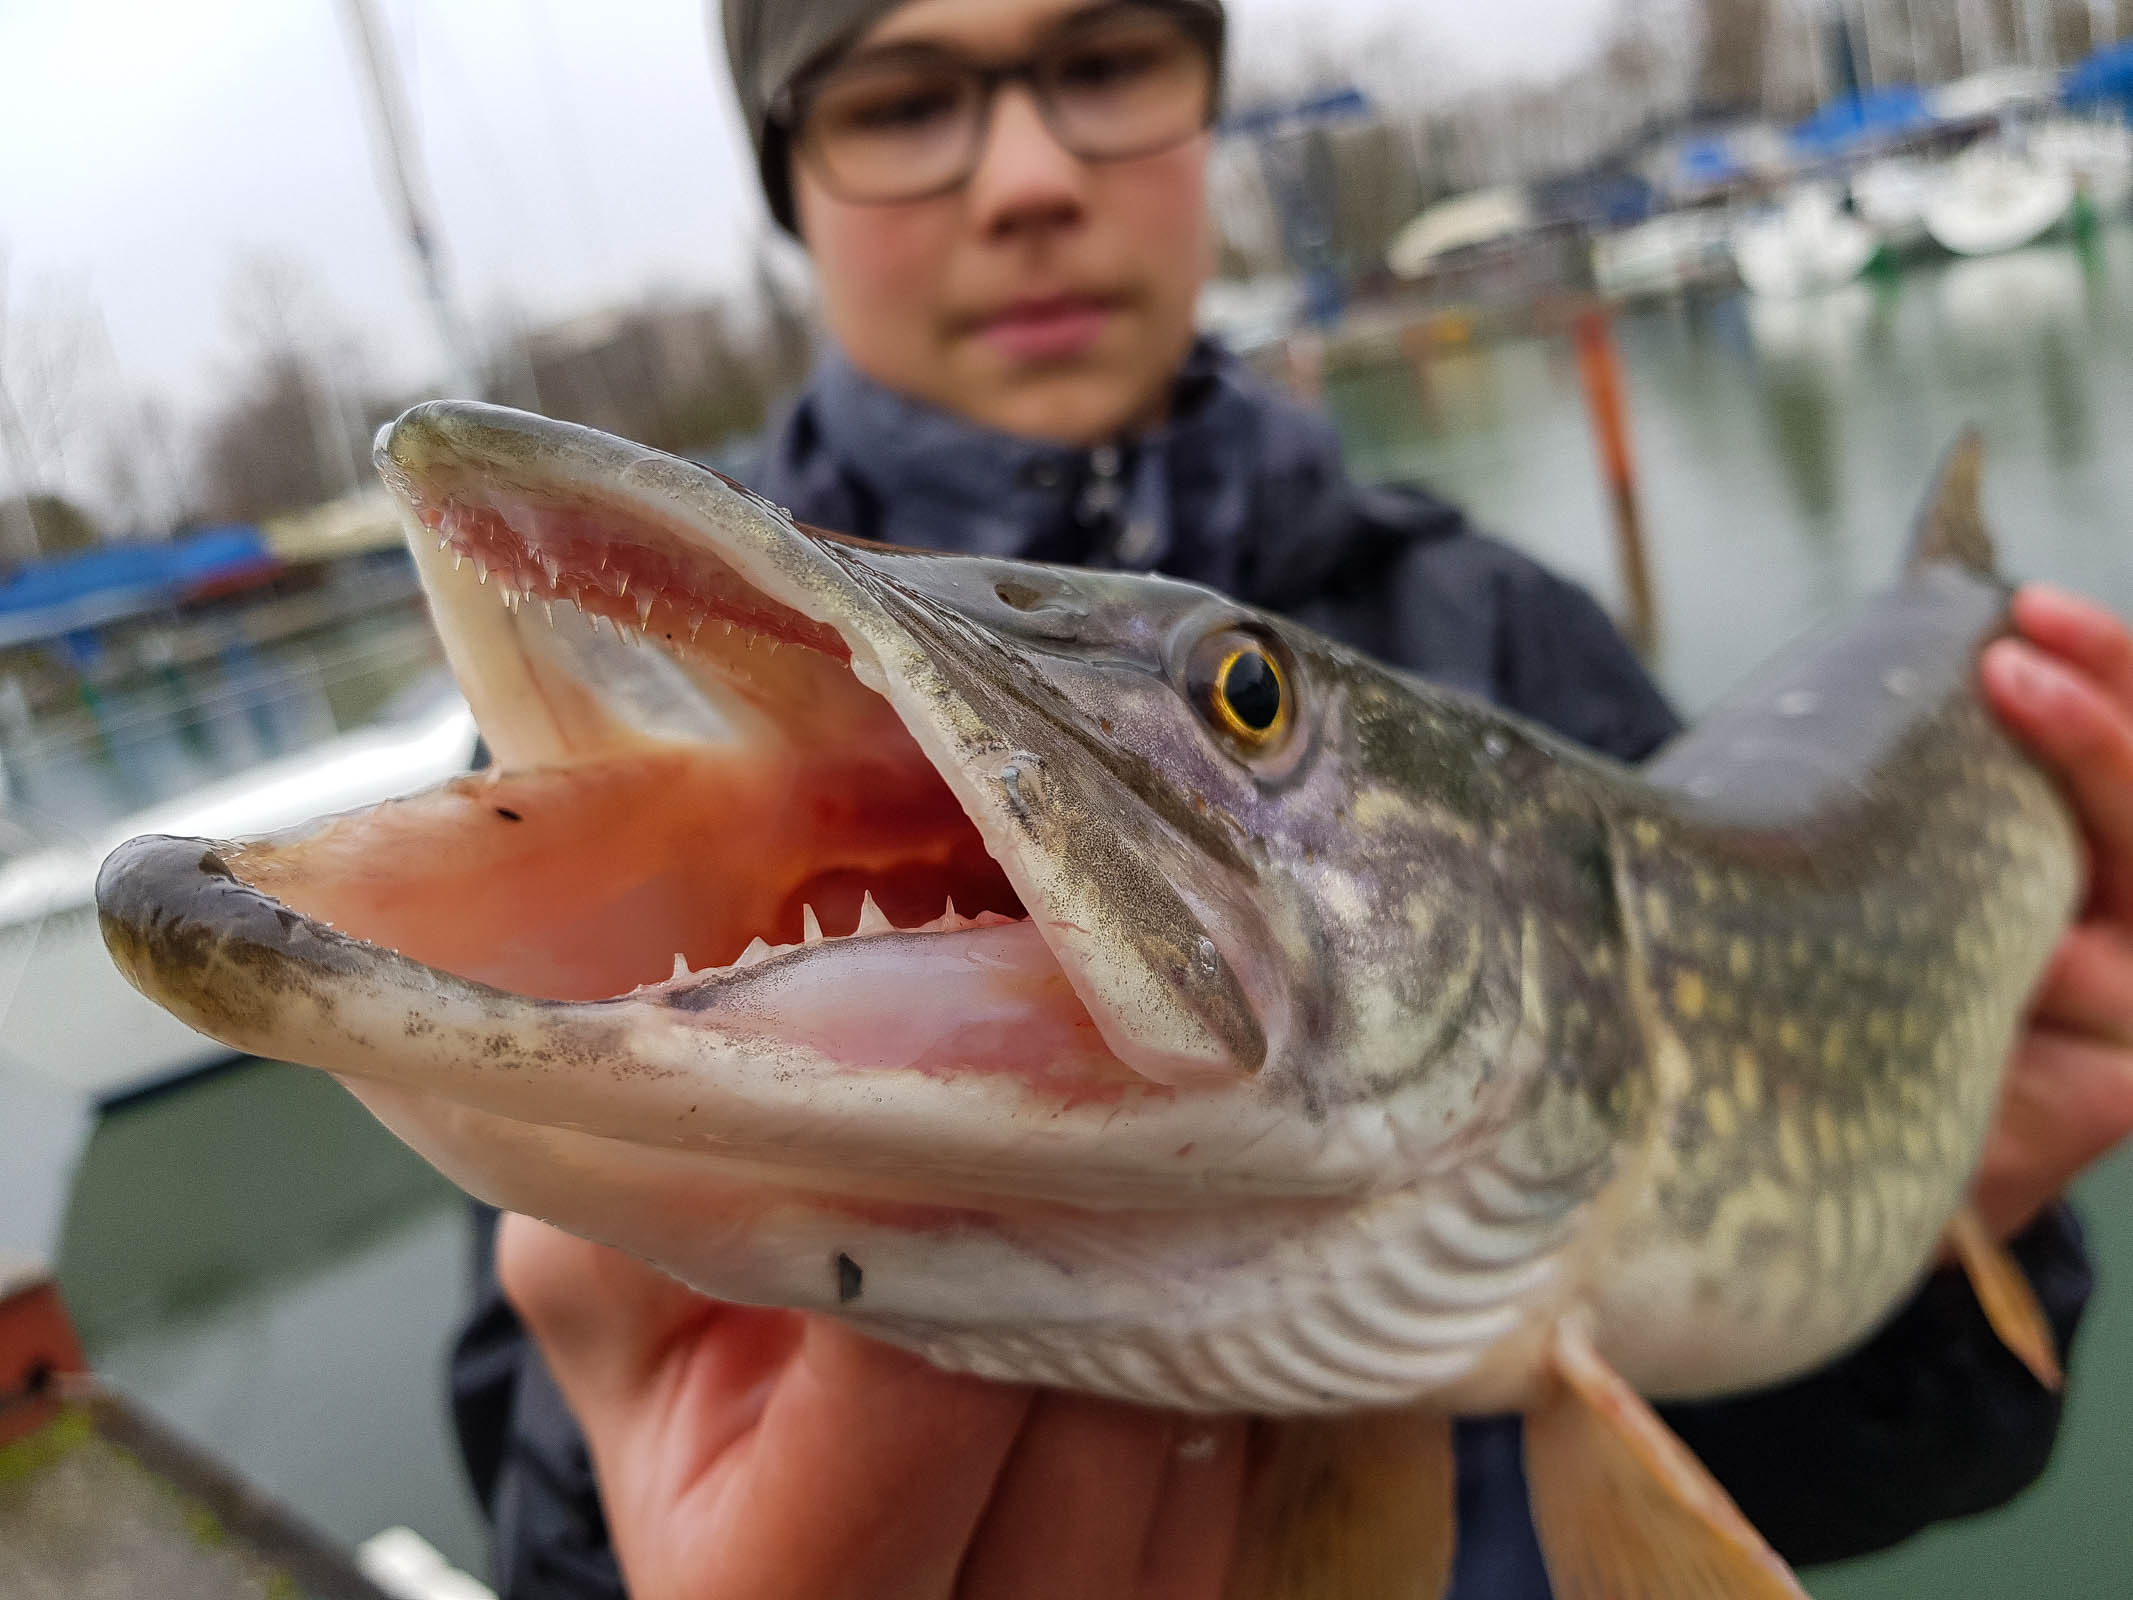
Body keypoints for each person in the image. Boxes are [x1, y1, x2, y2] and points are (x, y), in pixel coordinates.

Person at [450, 2, 2133, 1594]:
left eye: (1104, 65)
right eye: (902, 105)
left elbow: (1833, 1462)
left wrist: (1936, 1233)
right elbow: (531, 1489)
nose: (1027, 179)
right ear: (788, 186)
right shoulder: (627, 747)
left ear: (1205, 107)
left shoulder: (1506, 632)